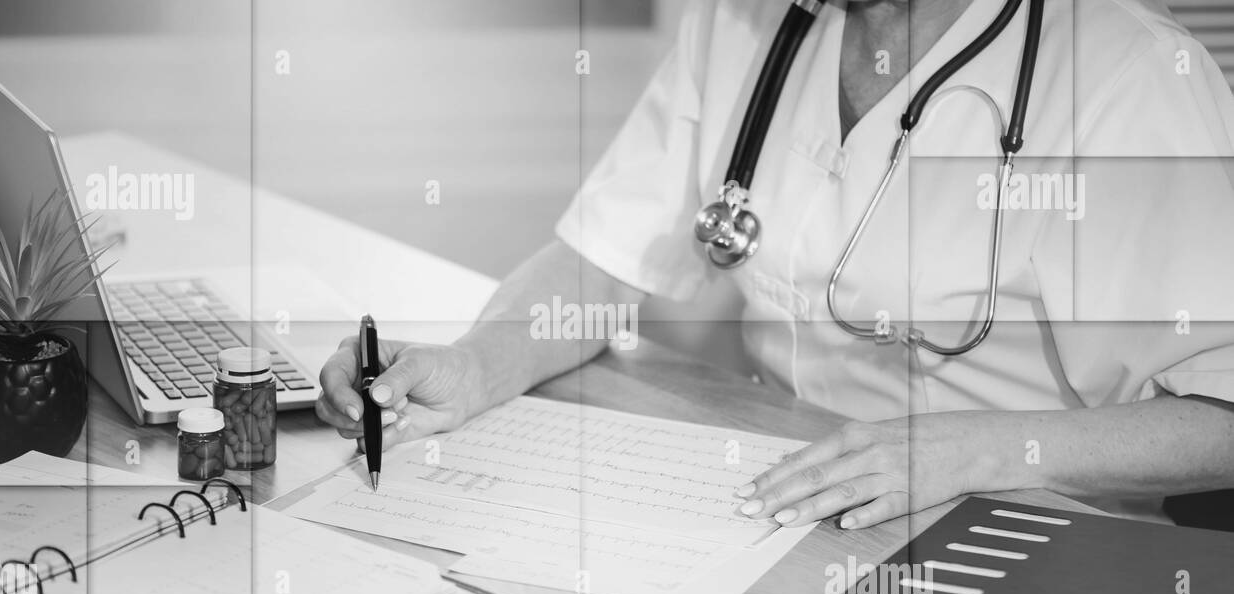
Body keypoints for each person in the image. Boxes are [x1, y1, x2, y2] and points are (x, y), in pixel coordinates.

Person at [318, 0, 1234, 529]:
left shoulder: (1131, 77)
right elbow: (601, 264)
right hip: (785, 506)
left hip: (1034, 532)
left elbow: (1222, 421)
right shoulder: (753, 19)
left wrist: (985, 447)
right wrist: (473, 366)